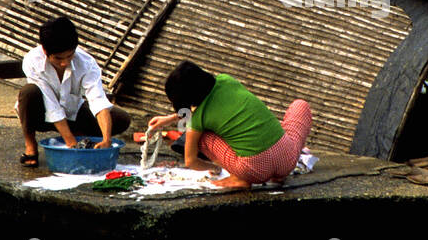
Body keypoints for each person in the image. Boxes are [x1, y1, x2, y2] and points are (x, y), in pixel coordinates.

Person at [148, 61, 312, 190]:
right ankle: (278, 175)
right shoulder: (227, 80)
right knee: (300, 105)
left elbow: (190, 161)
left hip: (253, 171)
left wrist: (214, 168)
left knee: (202, 137)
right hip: (286, 159)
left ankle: (238, 179)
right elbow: (222, 107)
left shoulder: (196, 120)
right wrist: (169, 119)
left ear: (185, 100)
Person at [17, 16, 131, 166]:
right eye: (58, 58)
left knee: (120, 118)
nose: (64, 63)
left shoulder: (87, 63)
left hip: (71, 111)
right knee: (28, 92)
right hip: (41, 113)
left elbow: (98, 101)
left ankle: (80, 135)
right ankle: (31, 145)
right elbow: (51, 105)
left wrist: (106, 140)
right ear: (45, 51)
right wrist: (71, 144)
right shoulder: (32, 61)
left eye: (69, 56)